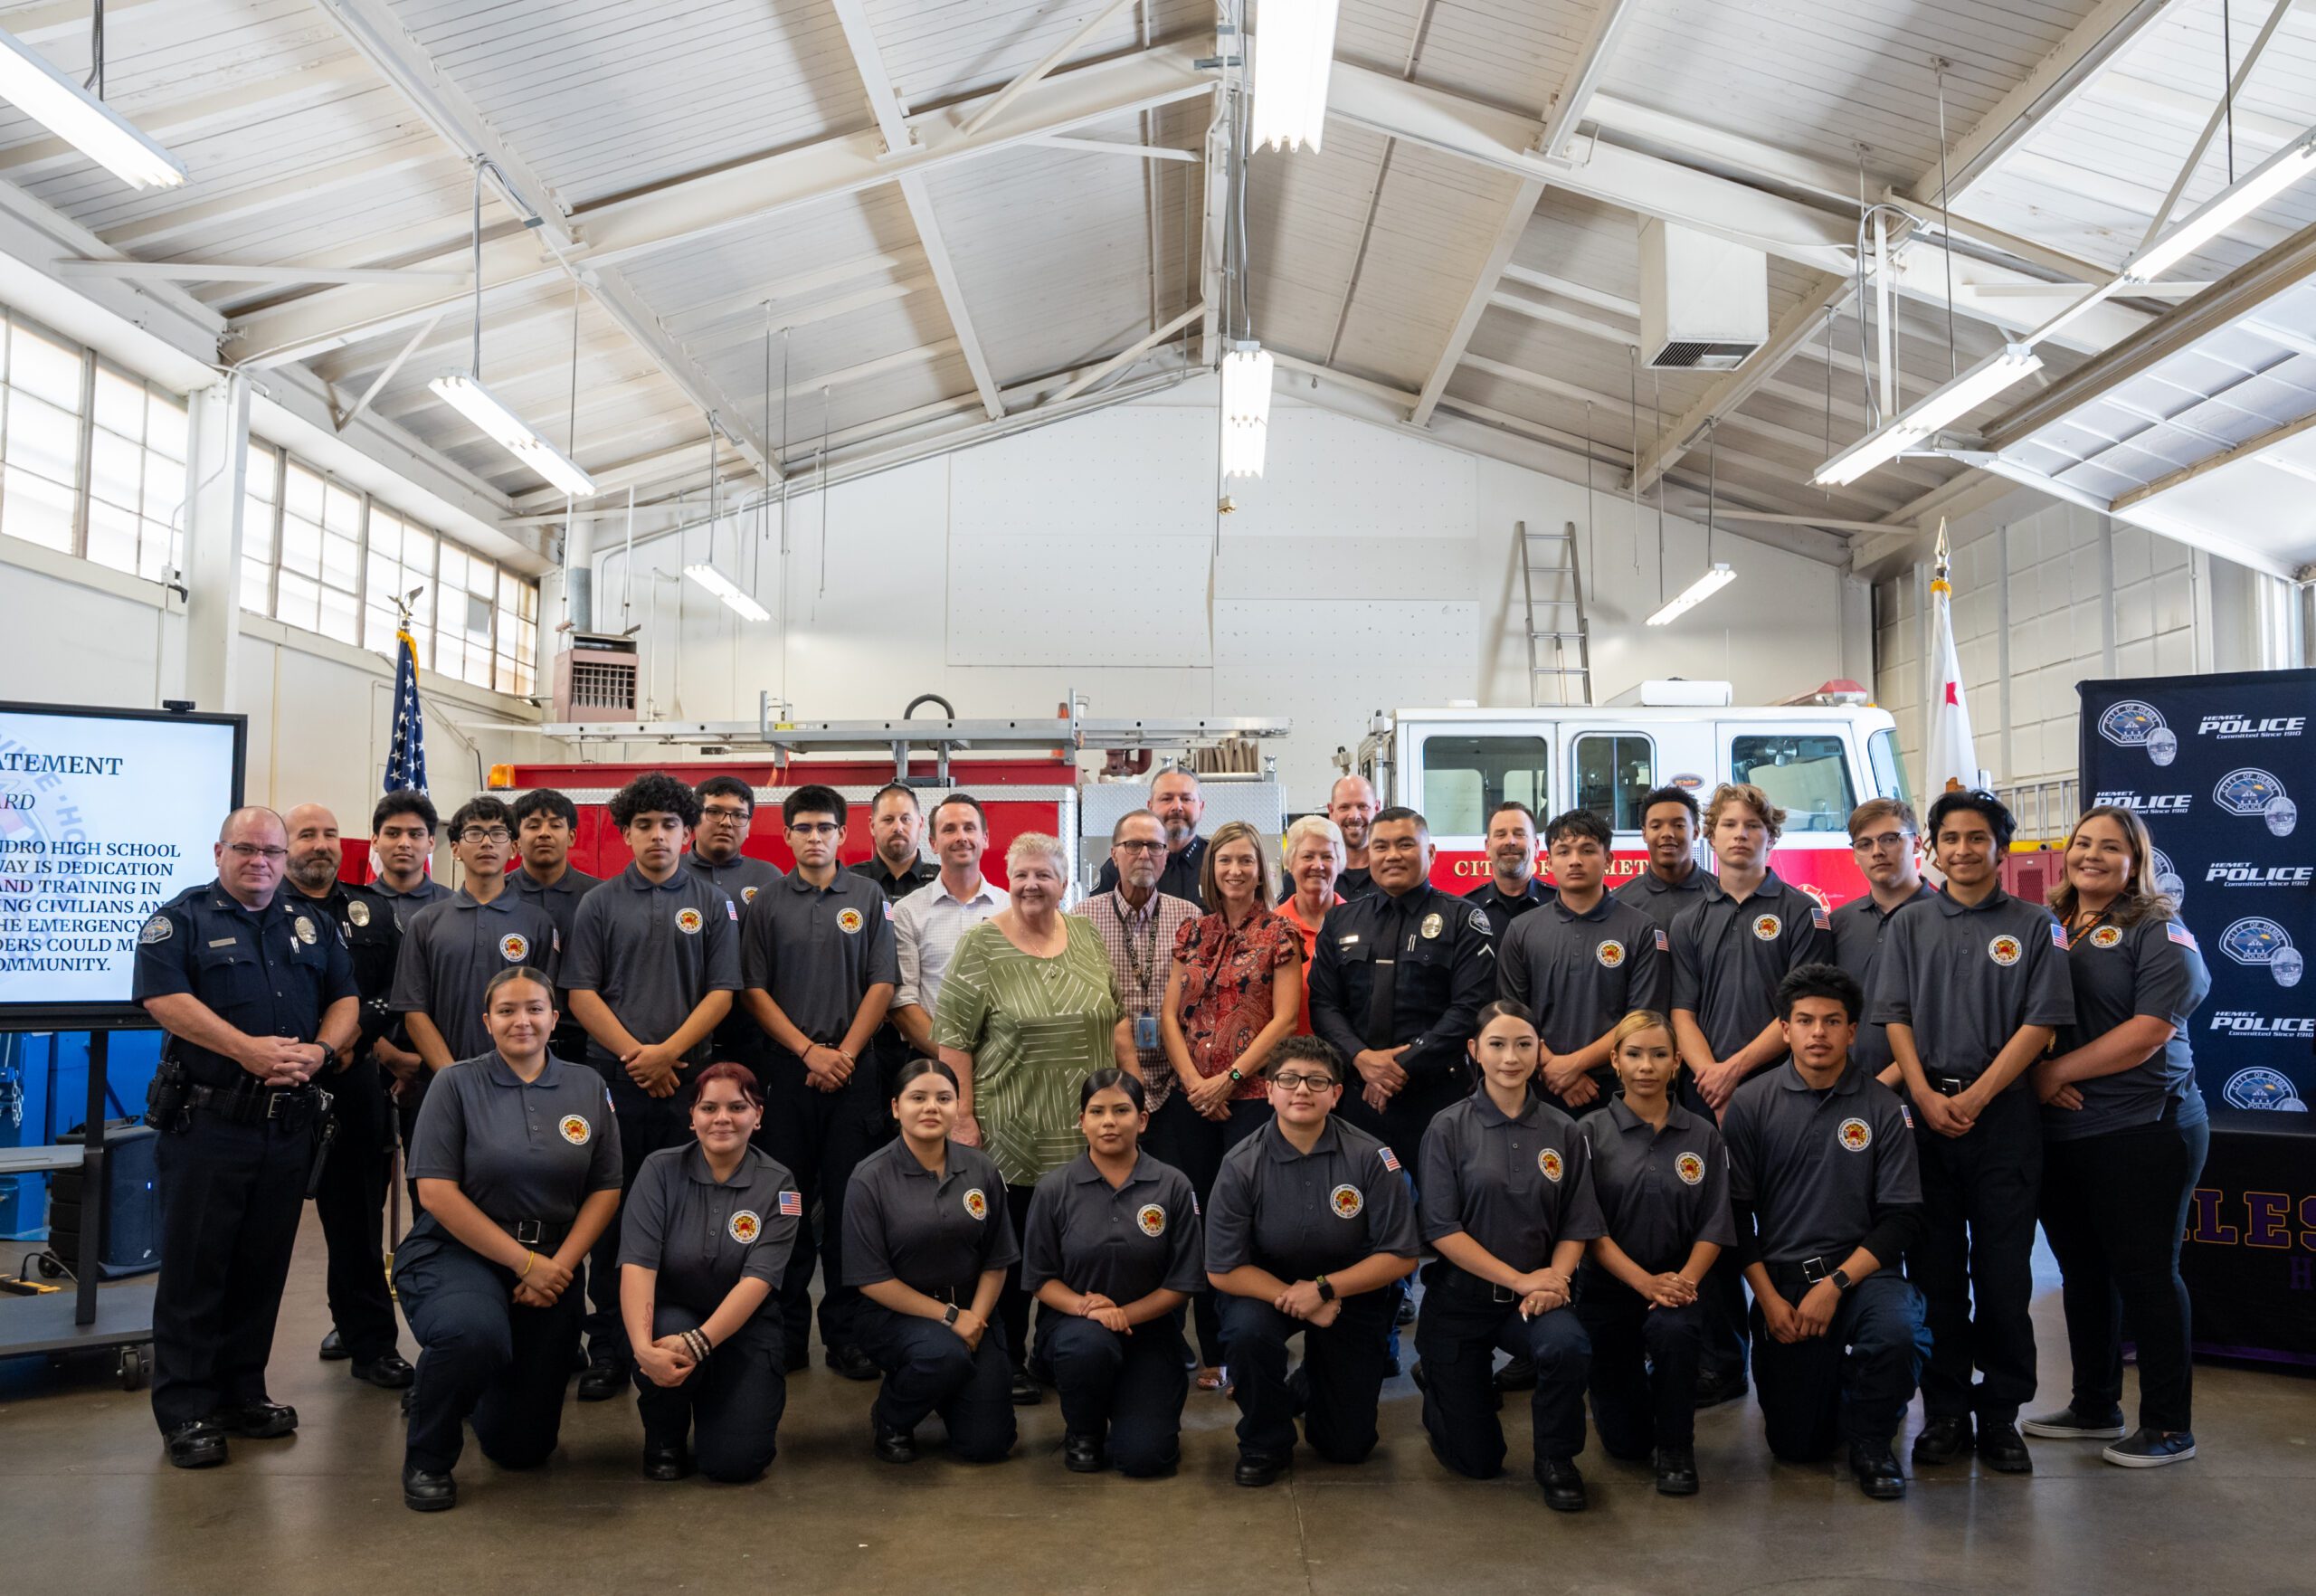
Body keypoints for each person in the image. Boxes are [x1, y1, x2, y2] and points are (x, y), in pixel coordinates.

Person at [134, 807, 360, 1468]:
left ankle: (241, 1393)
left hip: (287, 1128)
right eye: (246, 849)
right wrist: (247, 1051)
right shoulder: (183, 920)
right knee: (196, 1271)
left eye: (271, 851)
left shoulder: (310, 923)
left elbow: (345, 997)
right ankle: (187, 1410)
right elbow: (162, 998)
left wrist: (321, 1051)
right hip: (209, 1125)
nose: (260, 861)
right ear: (219, 852)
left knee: (262, 1268)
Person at [1872, 787, 2073, 1476]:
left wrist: (1981, 1095)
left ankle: (2002, 1415)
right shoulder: (1908, 925)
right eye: (1950, 838)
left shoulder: (2037, 924)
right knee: (1936, 1276)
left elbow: (2041, 1024)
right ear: (1934, 847)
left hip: (2005, 1122)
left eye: (1976, 838)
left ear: (2000, 847)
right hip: (1925, 1122)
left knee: (2004, 1273)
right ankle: (1948, 1412)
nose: (1962, 850)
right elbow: (1895, 1017)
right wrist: (1924, 1096)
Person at [393, 967, 622, 1511]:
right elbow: (437, 1195)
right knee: (472, 1334)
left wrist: (558, 1267)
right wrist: (526, 1266)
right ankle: (428, 1455)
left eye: (535, 1008)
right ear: (487, 1021)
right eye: (507, 1011)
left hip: (552, 1262)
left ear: (554, 1018)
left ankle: (474, 1393)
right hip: (456, 1253)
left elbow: (606, 1188)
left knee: (523, 1450)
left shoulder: (587, 1086)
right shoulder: (454, 1083)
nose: (522, 1020)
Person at [2026, 805, 2211, 1468]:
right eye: (2082, 844)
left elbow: (2150, 1030)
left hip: (2144, 1128)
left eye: (2111, 847)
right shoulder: (2051, 925)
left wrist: (2053, 1074)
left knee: (2147, 1275)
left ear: (2136, 861)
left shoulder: (2156, 928)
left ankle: (2168, 1427)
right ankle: (2093, 1404)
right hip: (2068, 1133)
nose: (2092, 856)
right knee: (2083, 1272)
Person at [937, 831, 1134, 1404]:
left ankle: (1059, 1348)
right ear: (1007, 878)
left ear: (1064, 882)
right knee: (1015, 1253)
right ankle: (1008, 1356)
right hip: (1012, 1132)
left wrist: (1131, 1092)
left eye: (1044, 874)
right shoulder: (981, 946)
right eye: (1021, 874)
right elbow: (953, 1042)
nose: (1031, 885)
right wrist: (962, 1120)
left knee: (1078, 1249)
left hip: (1089, 1134)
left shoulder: (1089, 935)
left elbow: (1117, 1019)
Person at [564, 771, 742, 1401]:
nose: (658, 836)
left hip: (691, 1083)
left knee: (692, 1214)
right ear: (624, 833)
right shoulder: (600, 904)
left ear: (686, 831)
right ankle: (611, 1348)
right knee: (612, 1213)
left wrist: (669, 1053)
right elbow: (579, 992)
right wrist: (638, 1055)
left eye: (669, 825)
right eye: (645, 826)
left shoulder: (715, 903)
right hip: (618, 1080)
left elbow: (724, 992)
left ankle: (685, 1335)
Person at [1723, 964, 1929, 1500]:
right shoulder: (1750, 1104)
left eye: (1833, 1021)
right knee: (1797, 1448)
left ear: (1852, 1031)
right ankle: (1837, 1390)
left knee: (1898, 1332)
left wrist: (1834, 1286)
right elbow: (1735, 1216)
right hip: (1784, 1287)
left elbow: (1902, 1219)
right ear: (1784, 1029)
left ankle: (1873, 1442)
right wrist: (1766, 1299)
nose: (1819, 1033)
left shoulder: (1884, 1108)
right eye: (1806, 1021)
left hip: (1863, 1276)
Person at [1668, 782, 1832, 1404]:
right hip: (1703, 1096)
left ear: (1770, 836)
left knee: (1786, 1226)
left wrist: (1732, 1071)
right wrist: (1708, 1077)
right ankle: (1722, 1361)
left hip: (1782, 1096)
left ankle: (1793, 1350)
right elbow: (1680, 1009)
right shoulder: (1688, 921)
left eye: (1752, 825)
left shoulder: (1799, 911)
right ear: (1710, 836)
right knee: (1713, 1225)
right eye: (1728, 825)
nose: (1740, 834)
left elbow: (1802, 1011)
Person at [1206, 1036, 1420, 1487]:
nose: (1301, 1090)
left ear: (1337, 1094)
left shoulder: (1372, 1158)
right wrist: (1297, 1296)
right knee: (1247, 1334)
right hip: (1266, 1289)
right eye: (1288, 1079)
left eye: (1317, 1081)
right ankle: (1265, 1440)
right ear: (1269, 1090)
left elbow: (1400, 1256)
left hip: (1350, 1290)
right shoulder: (1240, 1164)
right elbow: (1222, 1269)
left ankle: (1308, 1384)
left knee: (1347, 1447)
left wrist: (1324, 1289)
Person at [737, 784, 897, 1379]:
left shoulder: (867, 895)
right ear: (787, 836)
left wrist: (845, 1054)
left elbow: (882, 983)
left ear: (841, 834)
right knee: (788, 1204)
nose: (813, 837)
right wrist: (808, 1051)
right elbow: (753, 990)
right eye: (802, 828)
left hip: (854, 1071)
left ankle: (847, 1335)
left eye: (823, 828)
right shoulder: (767, 902)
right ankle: (782, 1333)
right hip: (787, 1071)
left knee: (849, 1208)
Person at [1414, 1002, 1600, 1510]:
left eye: (1524, 1044)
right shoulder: (1447, 1129)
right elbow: (1440, 1229)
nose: (1511, 1057)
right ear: (1474, 1052)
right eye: (1496, 1044)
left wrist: (1555, 1280)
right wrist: (1520, 1280)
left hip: (1536, 1299)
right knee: (1476, 1463)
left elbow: (1577, 1224)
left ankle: (1557, 1459)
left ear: (1540, 1050)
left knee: (1567, 1348)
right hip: (1461, 1301)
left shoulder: (1564, 1130)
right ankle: (1438, 1381)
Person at [1157, 819, 1300, 1385]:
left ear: (1261, 868)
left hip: (1252, 1099)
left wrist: (1229, 1078)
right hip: (1192, 1098)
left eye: (1245, 860)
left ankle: (1253, 1343)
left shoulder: (1278, 933)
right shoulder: (1192, 933)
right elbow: (1170, 1015)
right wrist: (1196, 1082)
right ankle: (1213, 1353)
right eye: (1224, 861)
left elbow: (1285, 1019)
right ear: (1210, 870)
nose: (1235, 870)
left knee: (1244, 1218)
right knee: (1195, 1217)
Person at [281, 802, 414, 1387]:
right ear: (285, 846)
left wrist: (343, 1043)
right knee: (260, 1224)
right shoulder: (262, 908)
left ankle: (371, 1346)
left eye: (330, 834)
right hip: (276, 1079)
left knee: (358, 1224)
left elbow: (393, 990)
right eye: (306, 834)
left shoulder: (373, 911)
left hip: (353, 1081)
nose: (321, 844)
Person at [1574, 1010, 1733, 1496]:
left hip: (1678, 1286)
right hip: (1608, 1291)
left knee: (1676, 1336)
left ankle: (1677, 1448)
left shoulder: (1702, 1135)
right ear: (1616, 1063)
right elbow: (1588, 1226)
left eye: (1659, 1054)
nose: (1647, 1066)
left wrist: (1681, 1282)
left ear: (1677, 1062)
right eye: (1635, 1054)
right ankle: (1626, 1404)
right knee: (1625, 1444)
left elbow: (1715, 1222)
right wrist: (1642, 1283)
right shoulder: (1588, 1132)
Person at [618, 1061, 801, 1484]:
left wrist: (700, 1344)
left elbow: (758, 1281)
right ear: (692, 1117)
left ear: (758, 1117)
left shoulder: (781, 1186)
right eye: (709, 1108)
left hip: (746, 1330)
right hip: (671, 1316)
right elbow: (638, 1267)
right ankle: (664, 1435)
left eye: (737, 1107)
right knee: (664, 1337)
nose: (722, 1118)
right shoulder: (658, 1171)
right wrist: (643, 1349)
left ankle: (719, 1402)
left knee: (736, 1464)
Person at [1023, 1070, 1204, 1476]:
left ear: (1142, 1120)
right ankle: (1084, 1431)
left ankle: (1128, 1406)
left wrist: (1123, 1316)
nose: (1109, 1121)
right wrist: (1089, 1310)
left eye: (1121, 1110)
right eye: (1097, 1111)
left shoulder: (1172, 1185)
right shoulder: (1054, 1189)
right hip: (1074, 1326)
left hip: (1151, 1331)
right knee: (1089, 1349)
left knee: (1146, 1458)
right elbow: (1039, 1277)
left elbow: (1183, 1282)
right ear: (1081, 1121)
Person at [842, 1059, 1019, 1464]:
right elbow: (871, 1279)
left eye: (943, 1098)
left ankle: (943, 1387)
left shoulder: (981, 1168)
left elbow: (997, 1258)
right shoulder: (869, 1177)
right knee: (942, 1356)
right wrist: (951, 1318)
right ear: (895, 1108)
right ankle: (892, 1417)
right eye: (917, 1098)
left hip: (975, 1311)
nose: (931, 1108)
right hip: (897, 1315)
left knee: (987, 1445)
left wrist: (973, 1317)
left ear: (957, 1107)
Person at [1306, 805, 1496, 1154]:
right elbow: (1323, 1005)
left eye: (1406, 844)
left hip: (1439, 1097)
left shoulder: (1464, 919)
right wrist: (1363, 1059)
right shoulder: (1340, 920)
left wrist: (1394, 1069)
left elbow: (1470, 1008)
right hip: (1358, 1096)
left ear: (1431, 852)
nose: (1392, 855)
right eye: (1381, 846)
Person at [1500, 809, 1670, 1116]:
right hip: (1540, 1087)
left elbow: (1642, 1018)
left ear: (1609, 860)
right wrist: (1552, 1066)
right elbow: (1512, 1014)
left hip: (1618, 1090)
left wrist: (1572, 1066)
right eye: (1563, 852)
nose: (1575, 860)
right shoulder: (1521, 930)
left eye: (1588, 850)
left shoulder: (1643, 930)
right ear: (1549, 861)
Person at [392, 796, 563, 1074]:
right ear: (456, 848)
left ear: (514, 848)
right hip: (442, 1079)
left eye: (498, 833)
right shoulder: (425, 922)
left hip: (519, 1080)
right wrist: (452, 1077)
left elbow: (542, 1009)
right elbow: (414, 1012)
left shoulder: (539, 923)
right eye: (474, 833)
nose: (486, 842)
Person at [1075, 809, 1202, 1156]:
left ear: (1166, 857)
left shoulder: (1189, 917)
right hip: (1107, 1086)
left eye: (1154, 846)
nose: (1144, 854)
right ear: (1114, 854)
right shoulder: (1081, 919)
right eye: (1133, 845)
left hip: (1175, 1086)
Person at [890, 793, 1007, 1063]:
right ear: (932, 842)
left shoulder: (1011, 909)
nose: (961, 837)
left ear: (985, 838)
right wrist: (954, 1059)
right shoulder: (907, 913)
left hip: (1005, 1063)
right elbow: (903, 1003)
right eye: (949, 829)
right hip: (933, 1063)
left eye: (969, 827)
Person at [1828, 799, 1936, 1085]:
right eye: (1864, 844)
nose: (1877, 852)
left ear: (1917, 844)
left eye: (1890, 839)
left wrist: (1882, 1085)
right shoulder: (1837, 924)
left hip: (1923, 1089)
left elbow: (1946, 1020)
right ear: (1854, 854)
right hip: (1845, 1086)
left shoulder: (1947, 921)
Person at [508, 787, 601, 1062]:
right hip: (512, 1037)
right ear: (517, 839)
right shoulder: (497, 896)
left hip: (585, 1040)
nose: (544, 833)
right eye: (533, 825)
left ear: (571, 836)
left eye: (555, 825)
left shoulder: (601, 898)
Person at [1093, 767, 1207, 900]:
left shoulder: (1218, 862)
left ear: (1201, 807)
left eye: (1186, 799)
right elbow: (1096, 913)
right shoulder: (1120, 866)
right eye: (1167, 799)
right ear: (1150, 807)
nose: (1177, 807)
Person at [1613, 785, 1707, 936]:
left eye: (1679, 825)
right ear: (1644, 834)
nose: (1667, 834)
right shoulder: (1619, 903)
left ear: (1696, 832)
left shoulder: (1721, 896)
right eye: (1656, 826)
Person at [685, 774, 786, 907]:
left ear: (749, 827)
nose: (726, 822)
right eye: (715, 812)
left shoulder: (770, 877)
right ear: (695, 819)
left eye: (739, 815)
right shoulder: (670, 872)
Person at [1277, 814, 1348, 994]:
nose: (1318, 865)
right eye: (1308, 856)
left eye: (1327, 857)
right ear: (1290, 863)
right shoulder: (1272, 927)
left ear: (1339, 863)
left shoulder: (1360, 922)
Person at [1466, 800, 1548, 941]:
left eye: (1519, 833)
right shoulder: (1466, 910)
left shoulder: (1559, 905)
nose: (1510, 841)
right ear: (1487, 847)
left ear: (1536, 846)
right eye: (1500, 834)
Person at [369, 790, 451, 915]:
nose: (404, 843)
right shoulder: (356, 904)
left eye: (415, 834)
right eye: (393, 834)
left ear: (431, 843)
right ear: (375, 842)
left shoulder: (453, 906)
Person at [854, 782, 940, 902]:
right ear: (872, 826)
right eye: (888, 819)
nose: (898, 828)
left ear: (920, 824)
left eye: (906, 819)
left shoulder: (943, 882)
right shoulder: (849, 883)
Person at [1321, 774, 1382, 901]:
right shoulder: (1312, 874)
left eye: (1362, 806)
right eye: (1344, 807)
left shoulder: (1394, 871)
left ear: (1376, 808)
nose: (1354, 816)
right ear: (1331, 811)